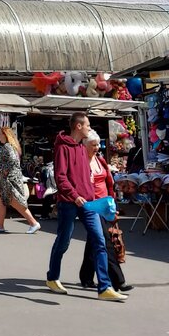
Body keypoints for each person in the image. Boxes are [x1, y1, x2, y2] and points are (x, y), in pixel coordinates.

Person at [45, 112, 126, 302]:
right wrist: (75, 195)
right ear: (78, 126)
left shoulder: (82, 149)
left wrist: (94, 197)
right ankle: (52, 277)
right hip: (68, 202)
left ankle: (104, 287)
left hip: (88, 203)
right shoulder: (62, 148)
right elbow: (61, 177)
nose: (90, 127)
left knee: (99, 241)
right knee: (63, 242)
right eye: (87, 125)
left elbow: (87, 175)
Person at [78, 131, 129, 292]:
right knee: (105, 241)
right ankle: (118, 281)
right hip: (91, 206)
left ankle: (86, 277)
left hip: (105, 206)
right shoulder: (80, 163)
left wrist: (113, 205)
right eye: (93, 145)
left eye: (98, 144)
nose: (97, 147)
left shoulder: (100, 160)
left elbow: (109, 183)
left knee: (94, 241)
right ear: (84, 146)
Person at [0, 127, 41, 233]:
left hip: (8, 179)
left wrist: (5, 171)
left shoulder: (7, 146)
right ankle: (0, 225)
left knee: (14, 201)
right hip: (7, 179)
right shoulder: (12, 146)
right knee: (1, 199)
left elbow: (12, 160)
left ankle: (33, 223)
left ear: (5, 135)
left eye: (0, 134)